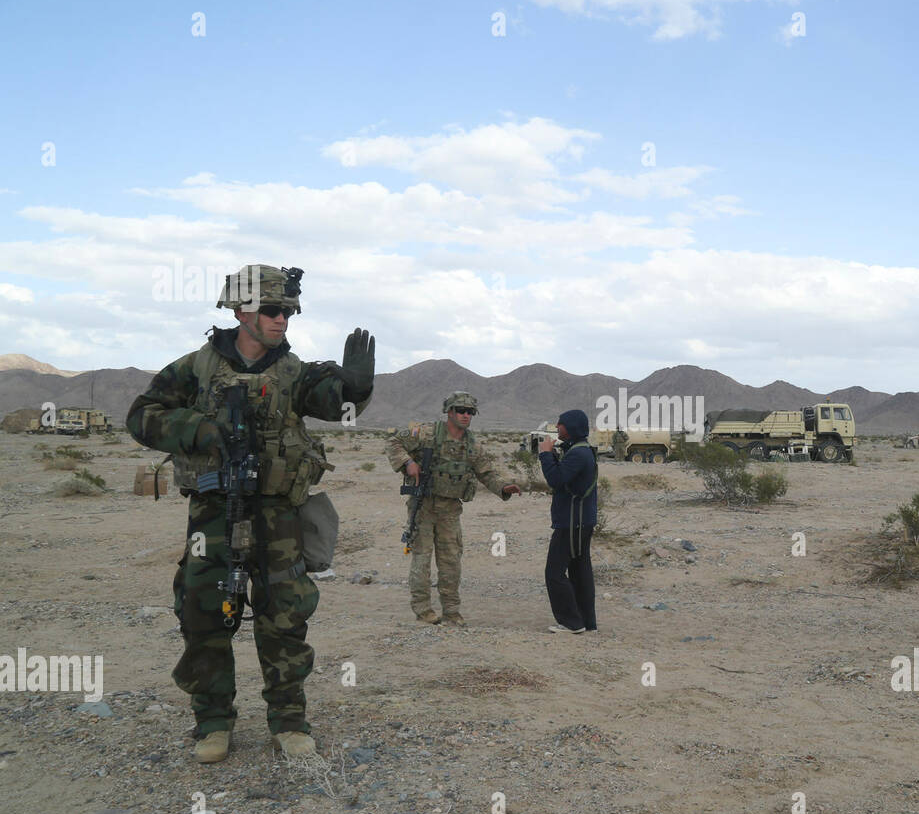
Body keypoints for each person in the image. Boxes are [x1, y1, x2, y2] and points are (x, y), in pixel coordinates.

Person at [127, 265, 374, 763]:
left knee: (285, 615)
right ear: (240, 311)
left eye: (289, 311)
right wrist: (200, 429)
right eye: (272, 310)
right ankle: (213, 722)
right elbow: (141, 416)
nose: (283, 319)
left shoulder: (296, 372)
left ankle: (289, 722)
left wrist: (355, 388)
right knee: (203, 615)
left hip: (280, 517)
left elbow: (336, 405)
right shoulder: (195, 368)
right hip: (213, 514)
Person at [384, 391, 520, 626]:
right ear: (449, 411)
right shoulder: (426, 433)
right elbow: (394, 442)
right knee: (421, 559)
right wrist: (408, 463)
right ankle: (423, 610)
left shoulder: (471, 446)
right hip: (424, 506)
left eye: (470, 412)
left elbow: (486, 473)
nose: (466, 415)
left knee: (451, 561)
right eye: (461, 410)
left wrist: (504, 488)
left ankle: (451, 611)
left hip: (450, 509)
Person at [540, 409, 599, 634]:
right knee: (579, 570)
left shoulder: (578, 454)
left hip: (572, 523)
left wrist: (545, 454)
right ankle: (586, 622)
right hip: (580, 521)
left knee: (554, 572)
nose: (557, 426)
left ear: (571, 427)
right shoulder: (580, 450)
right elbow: (565, 477)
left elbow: (555, 480)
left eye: (561, 424)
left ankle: (571, 622)